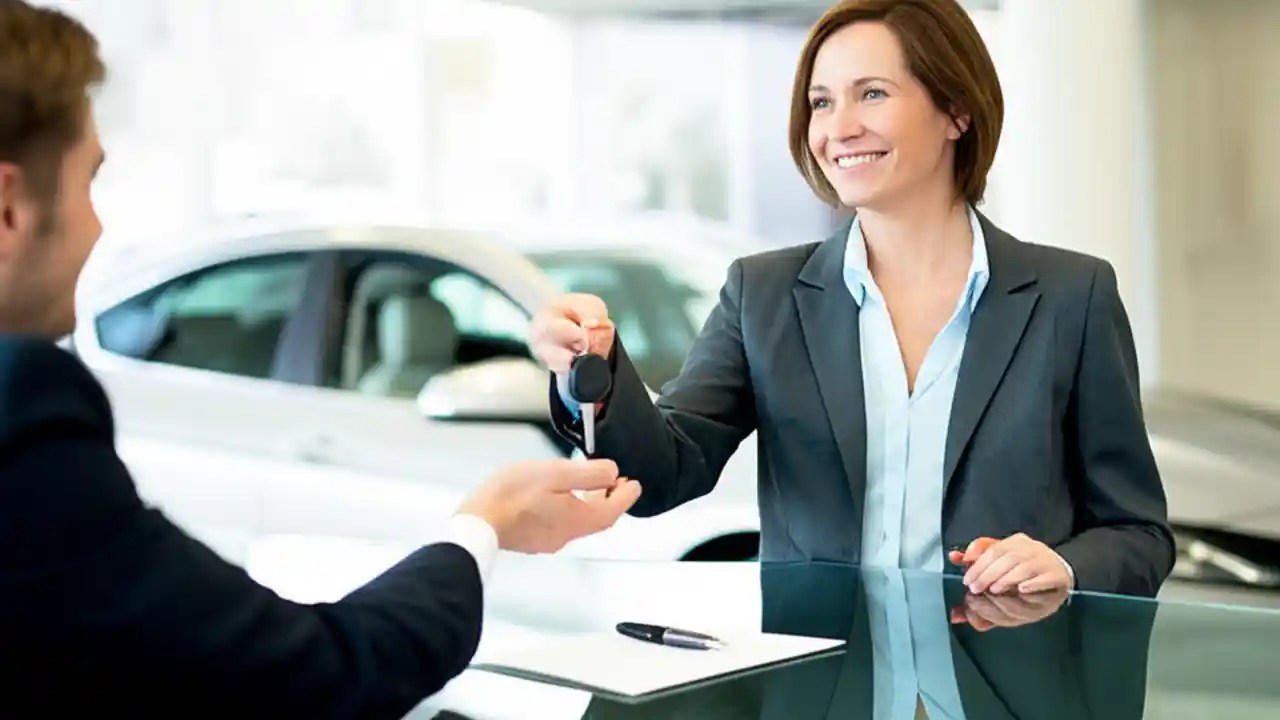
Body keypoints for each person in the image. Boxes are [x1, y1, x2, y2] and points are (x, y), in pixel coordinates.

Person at [0, 2, 640, 717]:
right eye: (89, 182)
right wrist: (482, 522)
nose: (99, 224)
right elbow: (322, 672)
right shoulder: (23, 411)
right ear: (9, 208)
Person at [530, 0, 1173, 597]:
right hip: (822, 691)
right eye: (821, 101)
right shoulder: (765, 295)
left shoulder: (1071, 297)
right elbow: (662, 475)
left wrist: (1062, 565)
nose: (838, 128)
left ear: (957, 110)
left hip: (1006, 688)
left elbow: (1138, 534)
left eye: (872, 93)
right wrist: (592, 369)